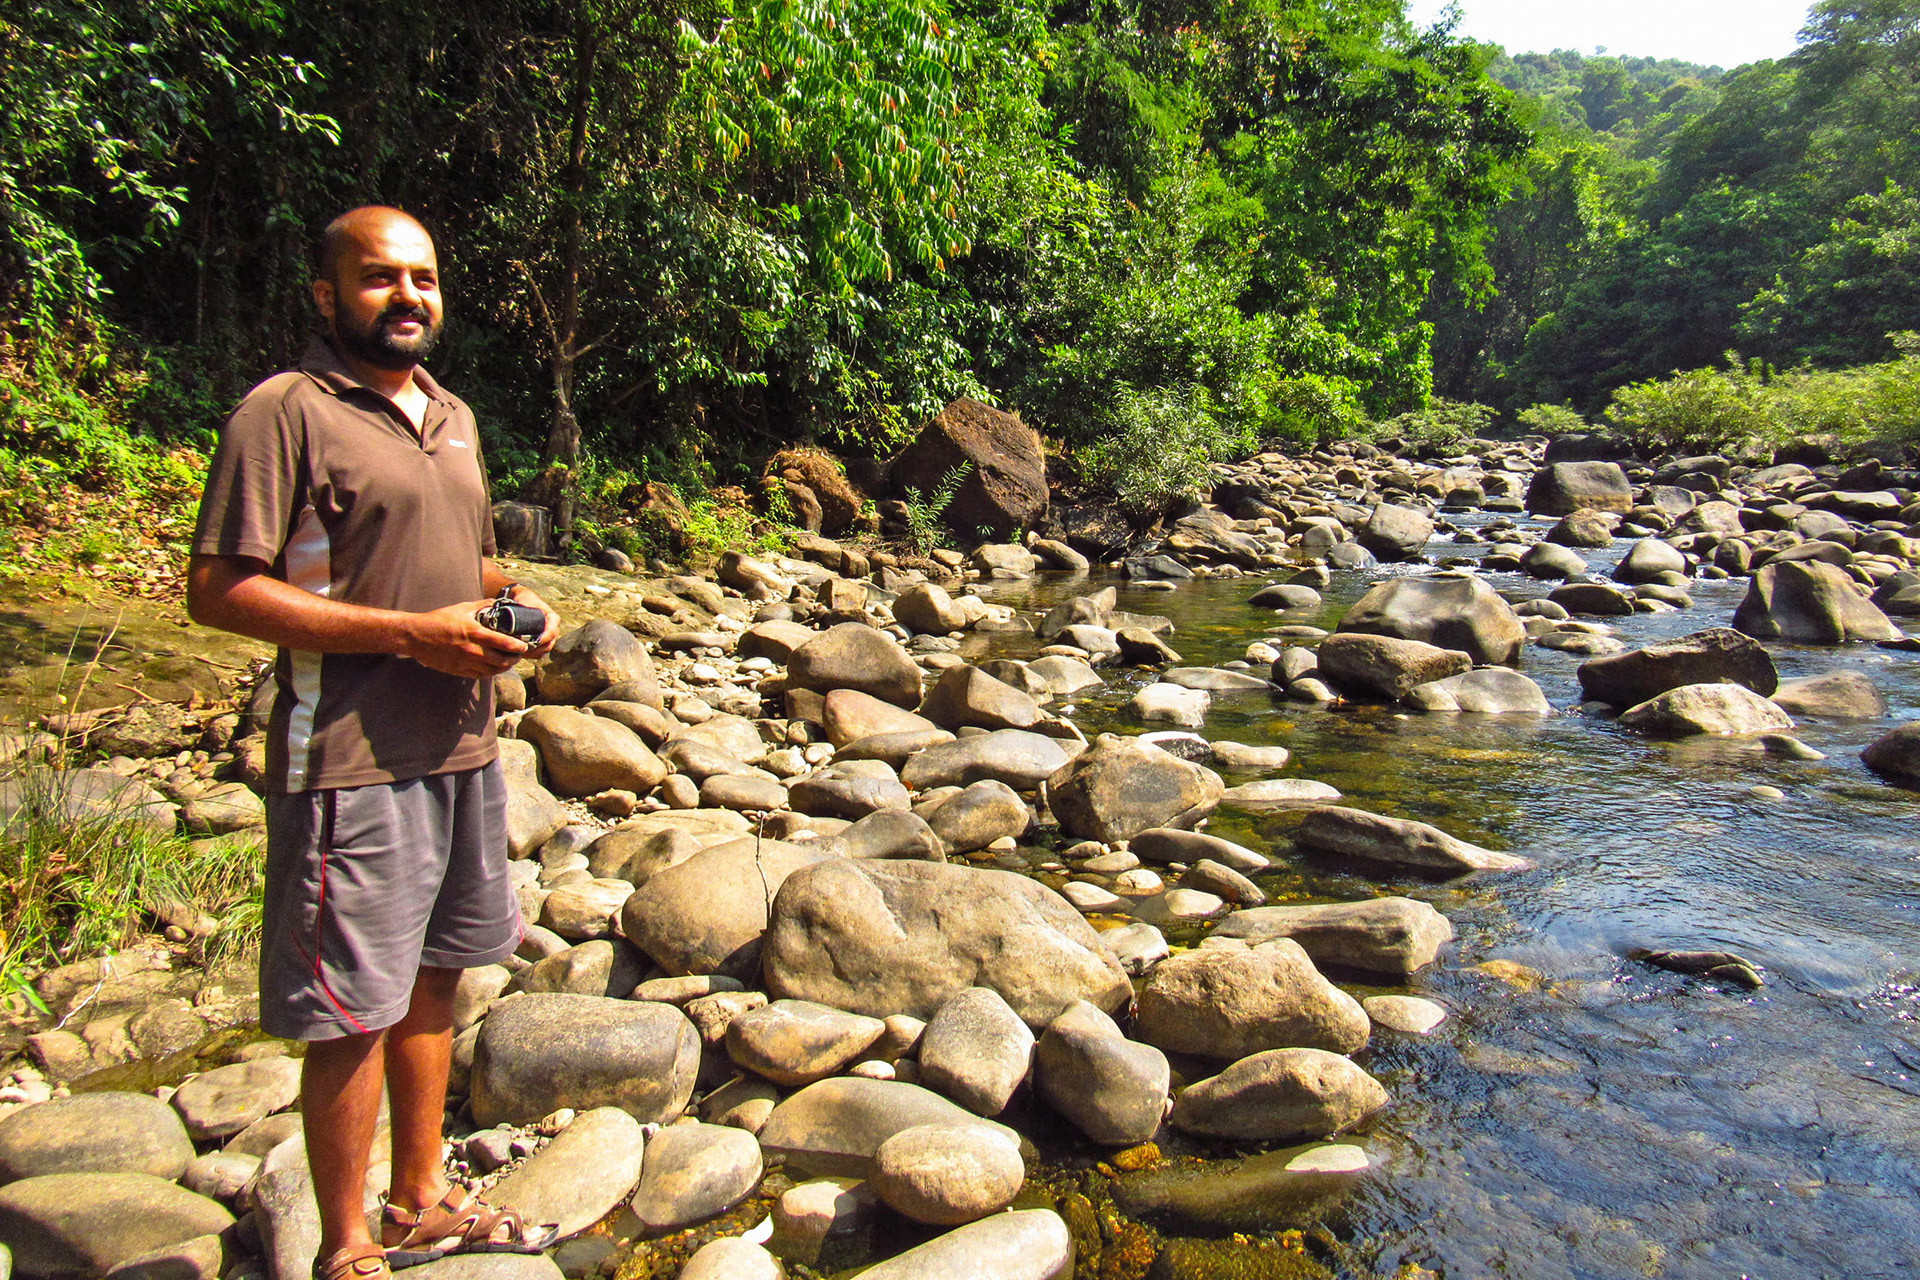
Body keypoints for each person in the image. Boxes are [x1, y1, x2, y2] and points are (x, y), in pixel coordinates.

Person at [187, 206, 561, 1280]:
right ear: (326, 293)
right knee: (350, 1004)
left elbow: (466, 559)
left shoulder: (451, 413)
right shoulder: (285, 412)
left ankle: (419, 1198)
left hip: (462, 746)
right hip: (348, 757)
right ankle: (346, 1245)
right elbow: (217, 588)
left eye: (425, 278)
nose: (408, 296)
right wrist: (409, 634)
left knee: (438, 976)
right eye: (380, 277)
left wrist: (514, 603)